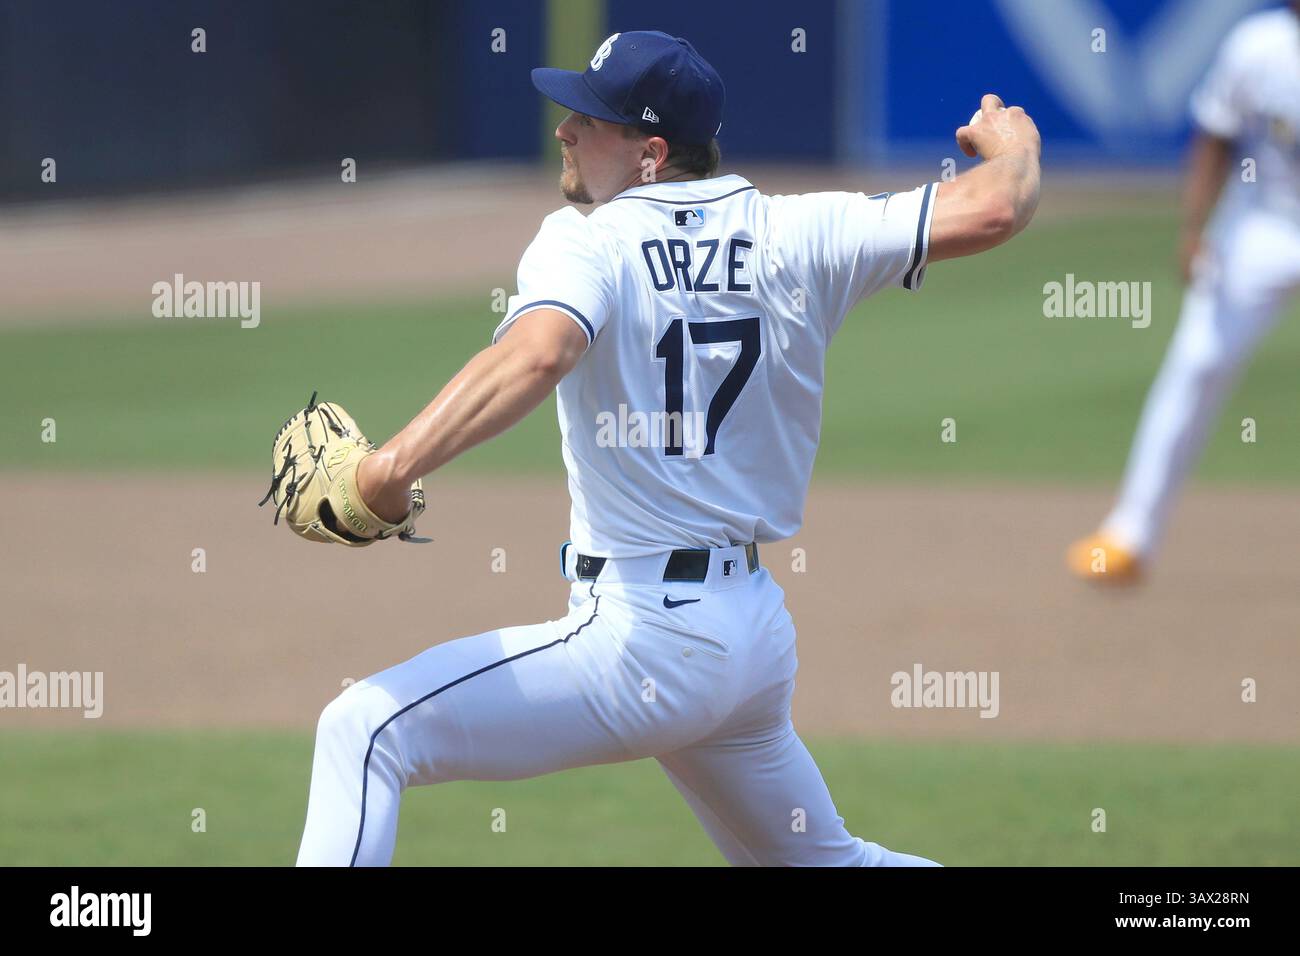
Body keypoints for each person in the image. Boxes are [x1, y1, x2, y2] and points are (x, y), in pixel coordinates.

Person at [295, 30, 1041, 866]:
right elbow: (996, 207)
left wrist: (389, 470)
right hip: (750, 637)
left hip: (644, 639)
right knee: (824, 863)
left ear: (650, 153)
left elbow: (538, 354)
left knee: (362, 730)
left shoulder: (588, 239)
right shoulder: (804, 228)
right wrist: (1016, 146)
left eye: (590, 117)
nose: (565, 130)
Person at [1067, 3, 1300, 583]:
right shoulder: (1259, 44)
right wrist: (1194, 228)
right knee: (1196, 363)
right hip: (1263, 225)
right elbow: (1215, 137)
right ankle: (1130, 533)